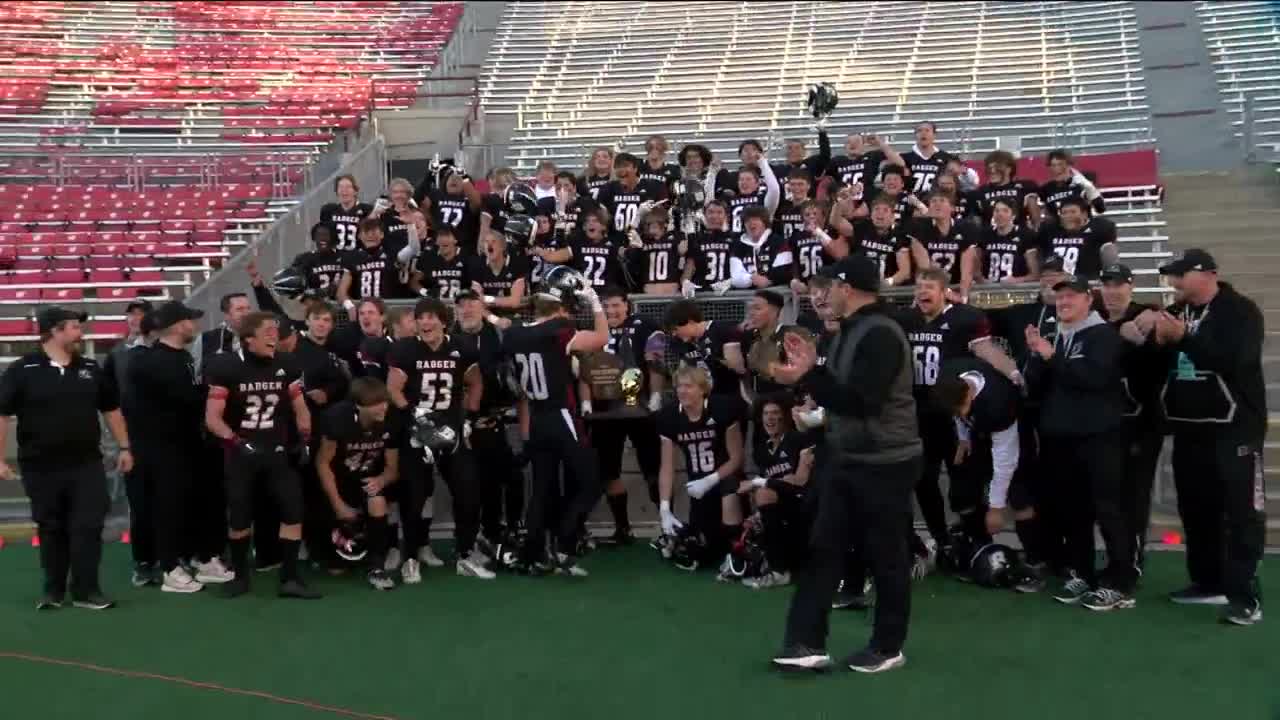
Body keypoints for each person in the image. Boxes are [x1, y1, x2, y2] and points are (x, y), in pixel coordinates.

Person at [771, 255, 921, 674]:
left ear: (847, 288)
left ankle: (888, 646)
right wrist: (813, 388)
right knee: (823, 549)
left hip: (884, 462)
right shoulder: (850, 332)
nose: (822, 295)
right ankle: (804, 643)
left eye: (828, 286)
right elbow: (844, 399)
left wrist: (808, 376)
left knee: (887, 556)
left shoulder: (880, 335)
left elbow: (863, 402)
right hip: (848, 458)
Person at [1143, 249, 1266, 625]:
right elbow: (1158, 366)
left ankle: (1245, 596)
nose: (1173, 282)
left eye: (1180, 274)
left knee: (1240, 513)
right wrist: (1155, 342)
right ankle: (1208, 582)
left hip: (1234, 428)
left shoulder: (1240, 311)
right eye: (1170, 275)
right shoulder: (1178, 312)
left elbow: (1235, 361)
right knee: (1196, 511)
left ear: (1209, 273)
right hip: (1189, 427)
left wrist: (1183, 339)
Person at [0, 307, 133, 610]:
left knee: (88, 526)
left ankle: (87, 590)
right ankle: (53, 590)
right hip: (40, 465)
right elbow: (2, 415)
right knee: (51, 527)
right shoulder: (23, 370)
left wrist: (125, 447)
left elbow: (111, 410)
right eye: (74, 327)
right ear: (55, 332)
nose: (79, 333)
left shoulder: (90, 368)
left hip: (86, 463)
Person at [1024, 275, 1133, 611]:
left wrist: (1050, 356)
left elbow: (1092, 378)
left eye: (1071, 296)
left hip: (1098, 438)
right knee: (1074, 512)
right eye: (1059, 298)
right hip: (1061, 439)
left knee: (1107, 510)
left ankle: (1120, 582)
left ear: (1089, 299)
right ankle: (1083, 573)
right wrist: (1037, 359)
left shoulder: (1103, 336)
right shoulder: (1057, 337)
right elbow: (1038, 387)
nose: (1063, 302)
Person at [204, 312, 319, 600]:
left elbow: (300, 406)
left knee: (293, 510)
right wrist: (237, 442)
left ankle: (290, 578)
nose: (274, 336)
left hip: (277, 450)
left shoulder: (286, 363)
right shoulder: (226, 366)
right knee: (240, 517)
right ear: (248, 339)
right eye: (267, 331)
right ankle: (241, 576)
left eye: (275, 330)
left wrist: (305, 437)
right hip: (240, 453)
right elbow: (212, 418)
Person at [502, 276, 610, 575]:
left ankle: (533, 554)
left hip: (536, 417)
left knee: (542, 489)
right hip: (561, 415)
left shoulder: (514, 334)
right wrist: (595, 302)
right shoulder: (558, 330)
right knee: (591, 483)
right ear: (561, 307)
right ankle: (564, 543)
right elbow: (602, 338)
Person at [128, 302, 232, 594]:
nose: (195, 324)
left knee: (189, 504)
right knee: (167, 507)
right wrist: (211, 394)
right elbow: (184, 399)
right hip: (162, 449)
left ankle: (195, 558)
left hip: (186, 446)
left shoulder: (182, 356)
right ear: (176, 325)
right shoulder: (153, 362)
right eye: (190, 320)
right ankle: (169, 567)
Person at [387, 297, 490, 582]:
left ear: (443, 320)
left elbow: (476, 383)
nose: (426, 322)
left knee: (468, 492)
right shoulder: (405, 349)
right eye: (421, 317)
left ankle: (466, 554)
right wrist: (415, 414)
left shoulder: (462, 347)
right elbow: (393, 389)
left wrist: (468, 417)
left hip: (451, 432)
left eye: (432, 317)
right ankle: (410, 556)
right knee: (414, 496)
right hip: (417, 433)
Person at [583, 287, 665, 544]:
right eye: (606, 307)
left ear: (627, 305)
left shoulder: (644, 325)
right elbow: (584, 370)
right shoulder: (595, 329)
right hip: (606, 412)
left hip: (640, 409)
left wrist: (656, 395)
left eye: (616, 305)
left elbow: (656, 361)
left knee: (653, 468)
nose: (611, 311)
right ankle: (622, 529)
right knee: (609, 471)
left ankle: (667, 525)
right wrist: (586, 403)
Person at [1098, 263, 1165, 576]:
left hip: (1139, 424)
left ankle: (1132, 563)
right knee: (1108, 498)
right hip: (1104, 426)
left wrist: (1140, 340)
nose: (1112, 291)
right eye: (1107, 285)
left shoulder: (1144, 317)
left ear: (1131, 285)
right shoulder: (1095, 319)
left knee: (1133, 498)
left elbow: (1161, 368)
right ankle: (1116, 560)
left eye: (1118, 284)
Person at [452, 292, 523, 550]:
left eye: (472, 303)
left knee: (510, 477)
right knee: (473, 485)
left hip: (496, 420)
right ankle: (473, 537)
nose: (467, 309)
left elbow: (516, 379)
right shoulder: (450, 340)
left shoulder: (498, 336)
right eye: (461, 305)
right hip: (462, 424)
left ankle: (509, 529)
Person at [655, 366, 746, 570]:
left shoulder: (721, 409)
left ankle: (736, 555)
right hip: (697, 488)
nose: (682, 391)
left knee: (729, 488)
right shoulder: (669, 417)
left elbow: (737, 458)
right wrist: (664, 508)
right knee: (701, 552)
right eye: (679, 386)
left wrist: (710, 480)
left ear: (703, 389)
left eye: (688, 386)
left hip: (724, 479)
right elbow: (667, 467)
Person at [316, 377, 401, 591]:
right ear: (358, 406)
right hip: (338, 480)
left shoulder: (392, 418)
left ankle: (377, 567)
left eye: (384, 402)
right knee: (337, 568)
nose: (382, 408)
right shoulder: (336, 418)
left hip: (367, 477)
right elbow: (322, 464)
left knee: (378, 500)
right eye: (375, 404)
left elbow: (392, 468)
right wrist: (338, 505)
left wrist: (381, 479)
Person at [740, 394, 815, 589]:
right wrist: (756, 514)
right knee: (760, 499)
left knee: (763, 492)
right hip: (781, 505)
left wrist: (759, 481)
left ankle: (780, 571)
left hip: (806, 501)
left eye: (775, 413)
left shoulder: (798, 439)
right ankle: (776, 567)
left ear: (785, 417)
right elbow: (776, 483)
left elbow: (799, 481)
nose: (769, 418)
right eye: (766, 414)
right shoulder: (761, 450)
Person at [103, 298, 154, 586]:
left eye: (141, 314)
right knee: (140, 503)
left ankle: (171, 558)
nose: (135, 320)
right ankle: (144, 562)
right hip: (132, 440)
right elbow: (108, 401)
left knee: (168, 501)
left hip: (164, 439)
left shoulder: (167, 350)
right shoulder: (117, 354)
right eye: (131, 315)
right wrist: (118, 441)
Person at [664, 299, 747, 403]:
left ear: (690, 321)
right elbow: (684, 370)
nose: (674, 334)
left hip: (729, 395)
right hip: (699, 399)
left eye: (675, 329)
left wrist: (717, 357)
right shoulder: (678, 342)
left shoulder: (722, 330)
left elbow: (740, 370)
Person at [1036, 196, 1117, 279]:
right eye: (1064, 213)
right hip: (1055, 284)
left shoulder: (1099, 228)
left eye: (1073, 212)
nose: (1068, 216)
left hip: (1085, 284)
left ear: (1085, 214)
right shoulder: (1050, 230)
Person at [337, 218, 399, 314]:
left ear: (382, 234)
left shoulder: (392, 254)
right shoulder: (352, 258)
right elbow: (341, 292)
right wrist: (349, 306)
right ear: (359, 236)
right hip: (363, 311)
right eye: (366, 231)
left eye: (374, 232)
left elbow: (413, 248)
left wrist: (411, 225)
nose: (370, 235)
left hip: (387, 310)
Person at [974, 197, 1040, 284]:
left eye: (1005, 211)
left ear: (1013, 215)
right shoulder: (985, 234)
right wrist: (981, 280)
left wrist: (1016, 280)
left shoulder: (1025, 235)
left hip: (1016, 290)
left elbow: (1035, 274)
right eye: (997, 211)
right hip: (988, 289)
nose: (1000, 214)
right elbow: (975, 268)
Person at [970, 150, 1040, 227]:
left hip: (1019, 236)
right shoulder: (981, 191)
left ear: (1008, 169)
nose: (992, 171)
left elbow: (1036, 219)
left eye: (997, 168)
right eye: (990, 168)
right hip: (990, 236)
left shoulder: (1024, 187)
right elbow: (977, 223)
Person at [901, 121, 974, 195]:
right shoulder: (904, 158)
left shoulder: (947, 158)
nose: (923, 133)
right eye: (919, 131)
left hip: (939, 202)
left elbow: (970, 184)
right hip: (911, 203)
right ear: (915, 135)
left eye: (927, 130)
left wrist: (964, 172)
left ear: (934, 135)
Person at [730, 206, 794, 289]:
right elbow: (736, 276)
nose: (751, 223)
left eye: (756, 219)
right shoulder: (738, 246)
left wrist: (768, 280)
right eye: (747, 220)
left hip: (776, 294)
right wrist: (751, 279)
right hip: (745, 297)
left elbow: (784, 270)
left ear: (764, 222)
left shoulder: (778, 242)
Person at [192, 291, 251, 379]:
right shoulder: (205, 339)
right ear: (227, 315)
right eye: (240, 309)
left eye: (248, 308)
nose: (247, 313)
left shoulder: (261, 338)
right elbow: (194, 375)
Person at [680, 200, 735, 294]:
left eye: (719, 212)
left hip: (728, 293)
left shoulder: (733, 239)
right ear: (704, 215)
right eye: (711, 212)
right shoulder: (696, 238)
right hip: (702, 293)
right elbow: (690, 267)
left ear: (726, 216)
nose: (714, 216)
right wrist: (685, 283)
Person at [467, 230, 527, 315]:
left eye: (493, 242)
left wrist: (486, 299)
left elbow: (515, 302)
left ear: (503, 247)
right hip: (489, 316)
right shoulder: (477, 265)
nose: (489, 245)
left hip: (515, 315)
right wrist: (495, 320)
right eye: (486, 242)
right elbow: (476, 301)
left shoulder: (517, 264)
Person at [1038, 149, 1105, 220]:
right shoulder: (1046, 188)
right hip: (1057, 229)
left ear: (1069, 165)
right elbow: (1046, 212)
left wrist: (1090, 188)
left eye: (1060, 164)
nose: (1057, 168)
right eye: (1053, 165)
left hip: (1080, 228)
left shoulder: (1081, 184)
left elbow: (1100, 209)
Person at [411, 225, 469, 301]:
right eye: (440, 235)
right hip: (435, 304)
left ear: (455, 240)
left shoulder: (467, 257)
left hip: (461, 303)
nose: (443, 239)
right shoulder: (429, 257)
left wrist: (465, 295)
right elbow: (414, 282)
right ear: (436, 241)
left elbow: (475, 284)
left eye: (447, 235)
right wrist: (426, 293)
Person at [320, 174, 374, 252]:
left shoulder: (366, 210)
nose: (344, 190)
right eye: (341, 187)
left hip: (359, 257)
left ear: (355, 191)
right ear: (337, 191)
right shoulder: (329, 211)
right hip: (336, 258)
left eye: (348, 187)